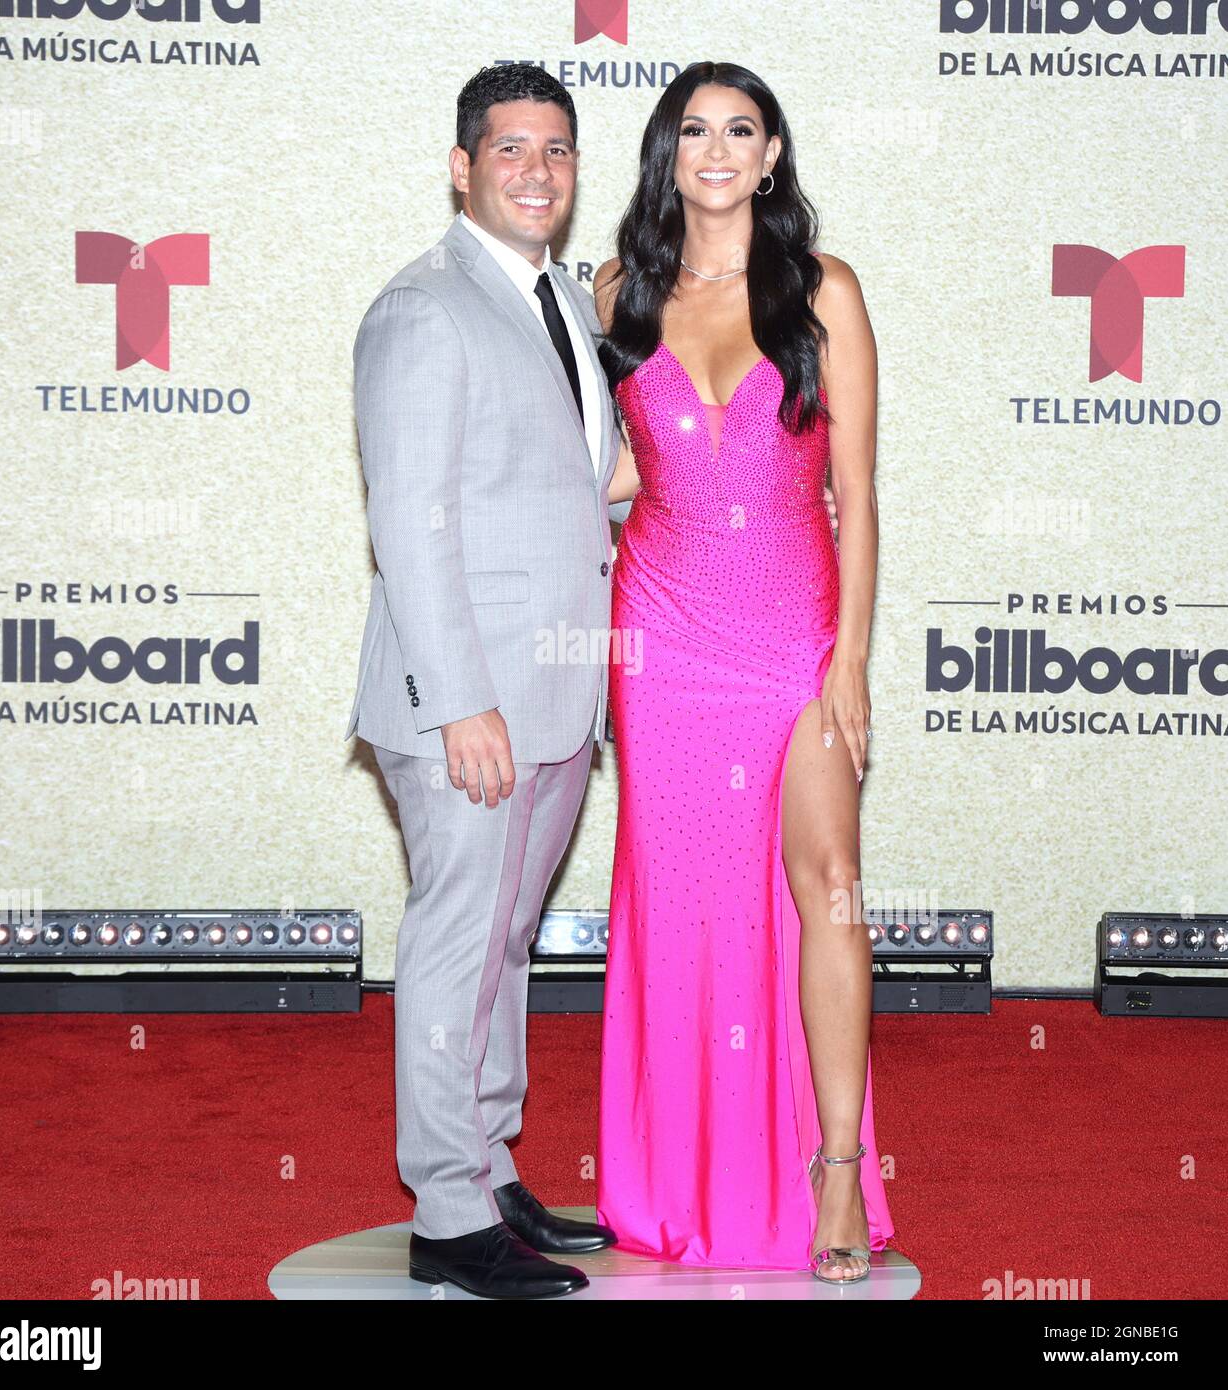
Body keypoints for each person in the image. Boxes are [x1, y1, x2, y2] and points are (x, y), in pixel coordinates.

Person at [594, 61, 896, 1280]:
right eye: (693, 130)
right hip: (661, 640)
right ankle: (681, 1175)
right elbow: (613, 469)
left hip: (794, 638)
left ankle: (834, 1170)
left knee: (829, 884)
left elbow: (856, 492)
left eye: (741, 130)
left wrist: (855, 657)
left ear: (772, 154)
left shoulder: (824, 289)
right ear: (668, 153)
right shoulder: (618, 289)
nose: (716, 149)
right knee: (682, 909)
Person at [343, 63, 620, 1300]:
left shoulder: (559, 295)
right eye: (511, 149)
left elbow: (577, 479)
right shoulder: (424, 309)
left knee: (504, 939)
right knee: (460, 942)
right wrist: (462, 702)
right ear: (462, 165)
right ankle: (448, 1213)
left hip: (554, 693)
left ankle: (490, 1166)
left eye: (556, 151)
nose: (536, 172)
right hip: (471, 702)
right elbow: (410, 522)